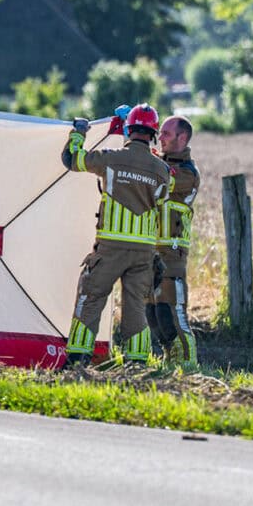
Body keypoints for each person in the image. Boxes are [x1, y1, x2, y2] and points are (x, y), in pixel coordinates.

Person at [63, 103, 172, 366]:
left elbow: (72, 160)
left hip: (111, 248)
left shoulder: (110, 158)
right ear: (153, 133)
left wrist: (78, 132)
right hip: (144, 253)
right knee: (135, 307)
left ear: (128, 129)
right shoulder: (162, 170)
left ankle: (78, 360)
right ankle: (136, 364)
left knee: (91, 297)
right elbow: (162, 195)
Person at [150, 115, 200, 367]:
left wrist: (144, 160)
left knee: (173, 311)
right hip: (150, 252)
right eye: (159, 133)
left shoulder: (188, 173)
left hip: (172, 253)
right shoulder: (160, 163)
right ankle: (170, 358)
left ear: (182, 138)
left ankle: (189, 364)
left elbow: (160, 180)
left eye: (166, 134)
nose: (161, 138)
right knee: (153, 315)